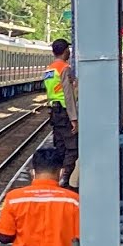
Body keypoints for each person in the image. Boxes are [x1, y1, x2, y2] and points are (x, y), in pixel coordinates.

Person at [43, 39, 78, 187]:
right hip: (64, 112)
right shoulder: (64, 68)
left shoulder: (49, 69)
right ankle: (63, 180)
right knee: (73, 148)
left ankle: (56, 178)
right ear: (65, 51)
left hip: (54, 112)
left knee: (60, 147)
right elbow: (68, 95)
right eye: (68, 50)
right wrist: (74, 118)